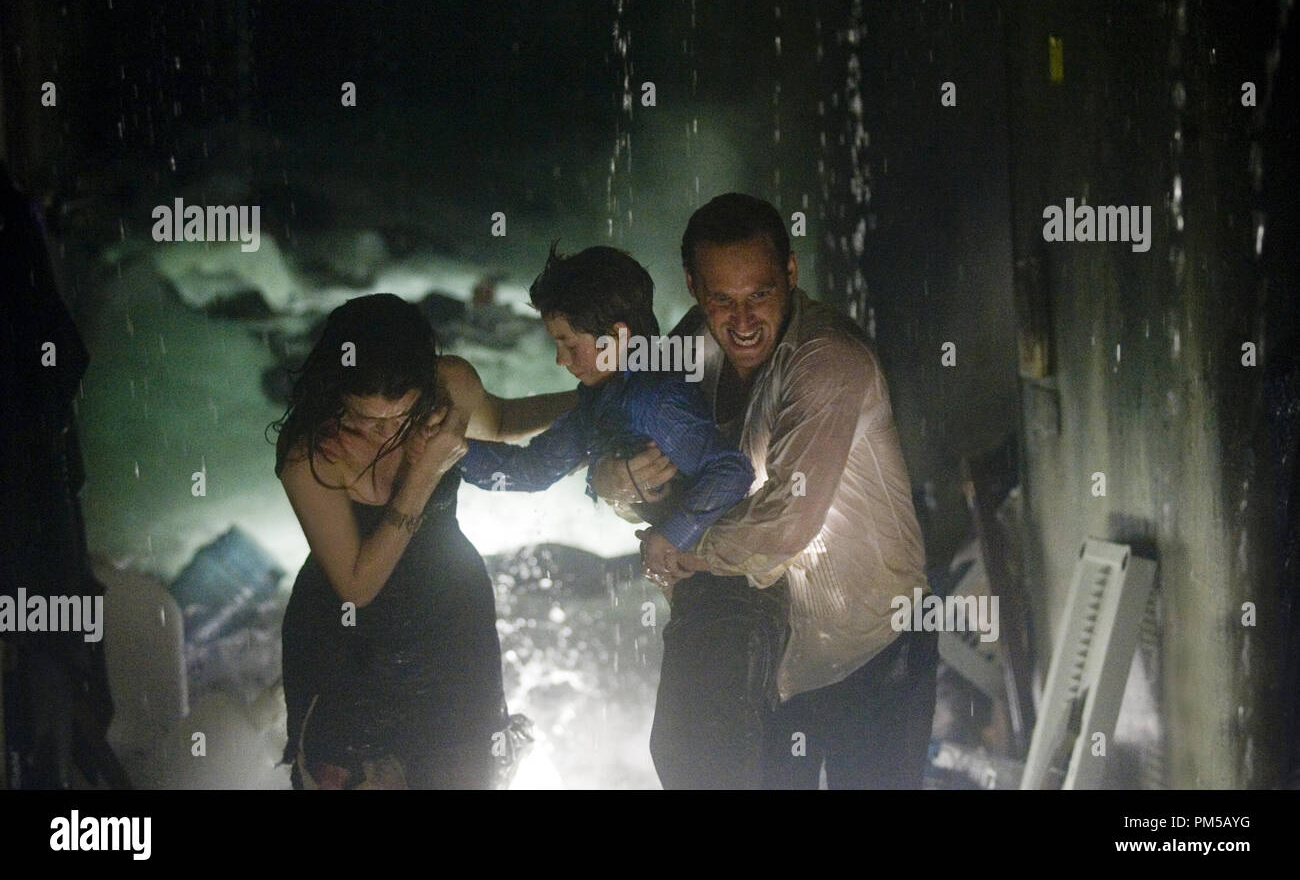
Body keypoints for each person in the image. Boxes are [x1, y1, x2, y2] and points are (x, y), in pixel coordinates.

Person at [594, 193, 937, 789]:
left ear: (791, 274)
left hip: (876, 645)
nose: (743, 319)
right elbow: (623, 434)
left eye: (760, 294)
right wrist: (613, 479)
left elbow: (785, 523)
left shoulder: (829, 361)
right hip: (776, 651)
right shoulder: (690, 351)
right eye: (722, 299)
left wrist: (681, 549)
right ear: (695, 288)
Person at [456, 244, 765, 788]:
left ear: (619, 338)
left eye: (568, 344)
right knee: (684, 751)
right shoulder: (600, 398)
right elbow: (530, 470)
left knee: (692, 752)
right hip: (695, 586)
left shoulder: (654, 400)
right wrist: (444, 453)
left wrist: (670, 535)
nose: (561, 360)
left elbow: (732, 472)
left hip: (735, 591)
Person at [273, 293, 573, 789]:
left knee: (459, 771)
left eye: (401, 416)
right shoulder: (310, 449)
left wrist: (596, 401)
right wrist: (423, 473)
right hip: (350, 640)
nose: (387, 431)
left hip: (450, 616)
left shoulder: (449, 381)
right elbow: (356, 585)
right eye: (368, 420)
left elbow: (501, 421)